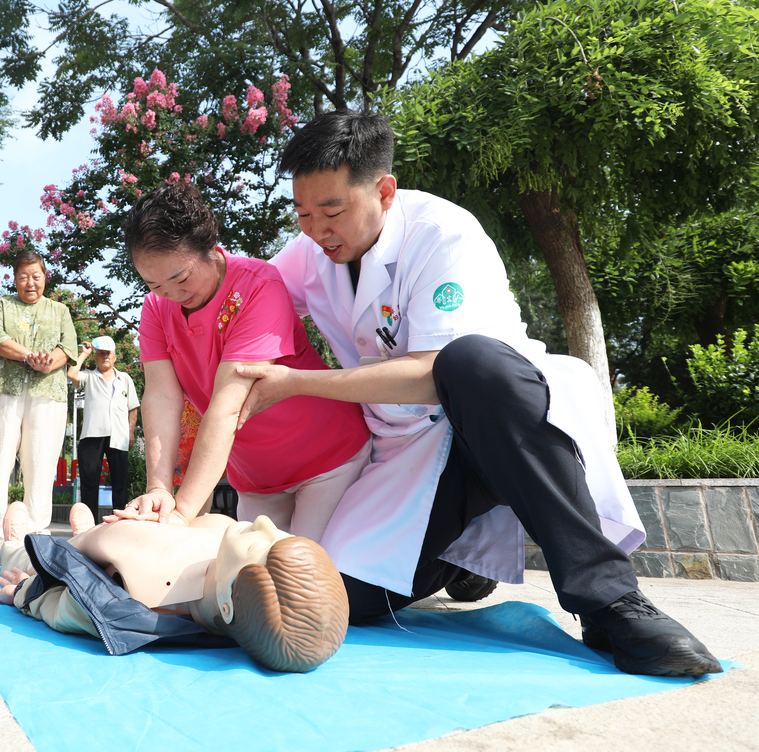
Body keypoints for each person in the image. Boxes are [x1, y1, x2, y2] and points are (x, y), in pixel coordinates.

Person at [235, 109, 720, 677]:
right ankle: (458, 554)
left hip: (503, 421)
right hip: (412, 452)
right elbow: (244, 296)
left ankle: (610, 602)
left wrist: (296, 385)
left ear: (384, 190)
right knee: (341, 601)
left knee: (470, 360)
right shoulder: (310, 256)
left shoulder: (444, 233)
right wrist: (179, 291)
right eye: (303, 214)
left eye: (333, 210)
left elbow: (431, 374)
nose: (317, 229)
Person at [117, 180, 371, 543]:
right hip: (255, 476)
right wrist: (159, 488)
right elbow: (161, 396)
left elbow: (227, 405)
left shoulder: (257, 286)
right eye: (154, 284)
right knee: (250, 581)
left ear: (207, 246)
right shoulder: (156, 308)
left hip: (329, 459)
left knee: (304, 575)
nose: (172, 294)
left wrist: (182, 513)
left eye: (180, 277)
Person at [0, 501, 348, 673]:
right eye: (283, 533)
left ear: (227, 605)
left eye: (258, 546)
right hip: (135, 530)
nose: (266, 522)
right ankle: (84, 531)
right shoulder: (227, 558)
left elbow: (69, 608)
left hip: (85, 557)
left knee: (25, 557)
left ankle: (15, 545)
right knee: (90, 534)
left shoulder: (138, 607)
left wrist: (27, 593)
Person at [0, 250, 76, 557]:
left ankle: (37, 532)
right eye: (23, 277)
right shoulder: (1, 305)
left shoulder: (59, 310)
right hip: (3, 389)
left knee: (42, 463)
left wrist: (50, 361)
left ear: (45, 277)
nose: (30, 283)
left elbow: (67, 347)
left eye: (36, 276)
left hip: (48, 393)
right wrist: (29, 356)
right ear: (14, 279)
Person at [65, 335, 139, 514]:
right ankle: (89, 523)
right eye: (101, 353)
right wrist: (84, 353)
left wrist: (130, 432)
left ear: (115, 358)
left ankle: (120, 520)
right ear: (96, 357)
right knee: (89, 481)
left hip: (119, 436)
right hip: (92, 435)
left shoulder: (125, 378)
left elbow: (133, 407)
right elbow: (71, 374)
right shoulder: (89, 377)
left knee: (120, 481)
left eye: (109, 354)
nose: (105, 356)